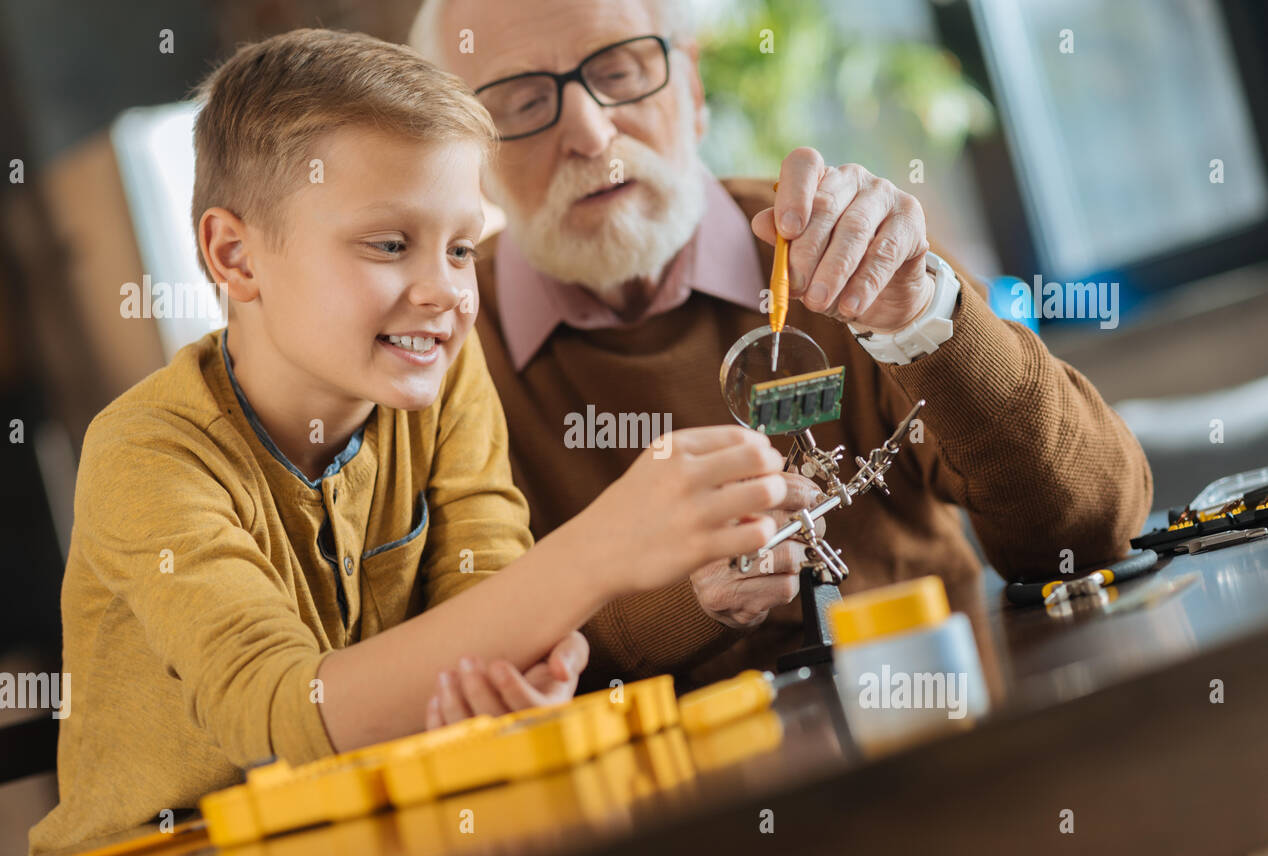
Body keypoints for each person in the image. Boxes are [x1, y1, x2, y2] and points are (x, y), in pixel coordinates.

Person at [29, 28, 788, 856]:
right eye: (390, 244)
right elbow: (279, 714)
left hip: (385, 831)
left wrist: (504, 681)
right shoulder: (146, 452)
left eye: (461, 247)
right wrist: (601, 551)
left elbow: (488, 597)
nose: (446, 292)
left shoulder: (441, 381)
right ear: (234, 256)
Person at [409, 0, 1154, 686]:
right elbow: (455, 676)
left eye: (620, 71)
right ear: (469, 153)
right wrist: (676, 598)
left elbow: (1090, 527)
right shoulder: (439, 353)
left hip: (949, 765)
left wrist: (922, 318)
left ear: (692, 88)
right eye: (524, 101)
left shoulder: (850, 255)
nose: (590, 134)